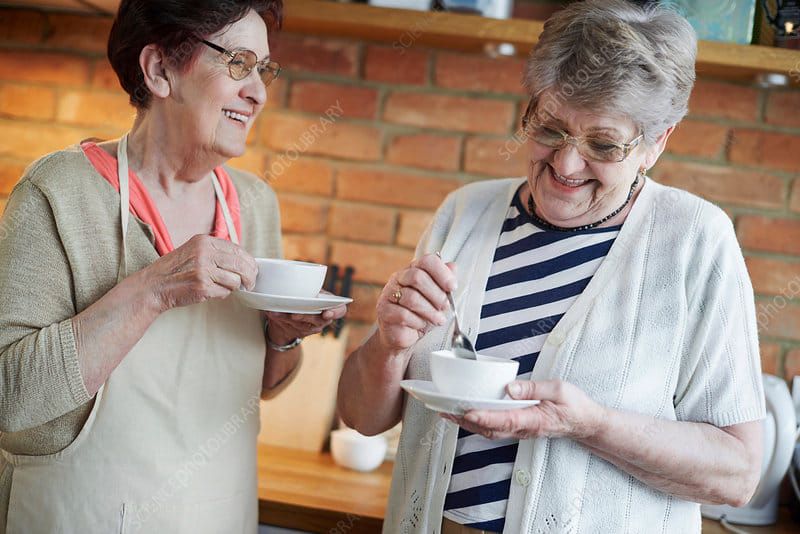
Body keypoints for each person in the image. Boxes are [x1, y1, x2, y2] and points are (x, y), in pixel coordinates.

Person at [337, 1, 764, 532]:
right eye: (551, 129)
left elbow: (737, 474)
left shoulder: (695, 241)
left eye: (603, 144)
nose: (565, 164)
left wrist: (592, 426)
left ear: (657, 142)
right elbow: (361, 417)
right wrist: (388, 342)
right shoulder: (464, 213)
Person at [0, 1, 346, 532]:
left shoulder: (254, 205)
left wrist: (284, 336)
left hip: (218, 515)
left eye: (264, 69)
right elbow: (9, 396)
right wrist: (154, 288)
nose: (258, 91)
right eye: (238, 63)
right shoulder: (58, 192)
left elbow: (265, 386)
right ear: (159, 70)